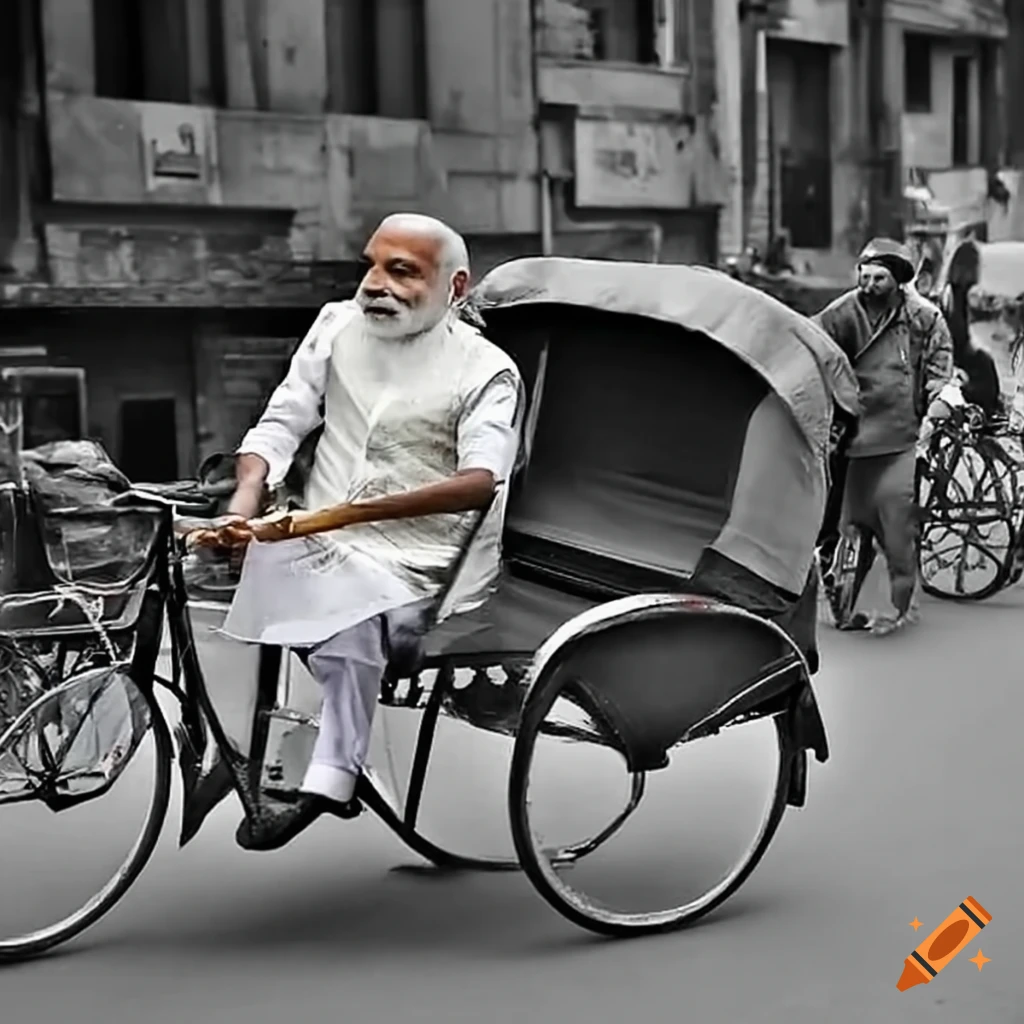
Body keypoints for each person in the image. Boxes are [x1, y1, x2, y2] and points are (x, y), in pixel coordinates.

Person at [189, 213, 524, 850]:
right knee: (206, 579)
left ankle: (333, 775)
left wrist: (343, 516)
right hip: (325, 531)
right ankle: (232, 743)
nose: (375, 284)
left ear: (455, 287)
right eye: (371, 265)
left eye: (402, 271)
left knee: (347, 606)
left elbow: (480, 481)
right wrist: (244, 497)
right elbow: (282, 420)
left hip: (430, 555)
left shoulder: (487, 371)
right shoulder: (337, 327)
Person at [813, 238, 954, 635]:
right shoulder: (842, 313)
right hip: (850, 433)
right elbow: (813, 344)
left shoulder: (924, 318)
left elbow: (939, 370)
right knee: (840, 524)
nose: (869, 285)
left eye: (879, 278)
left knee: (895, 522)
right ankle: (843, 603)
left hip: (900, 436)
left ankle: (899, 603)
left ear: (898, 280)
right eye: (865, 276)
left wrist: (937, 404)